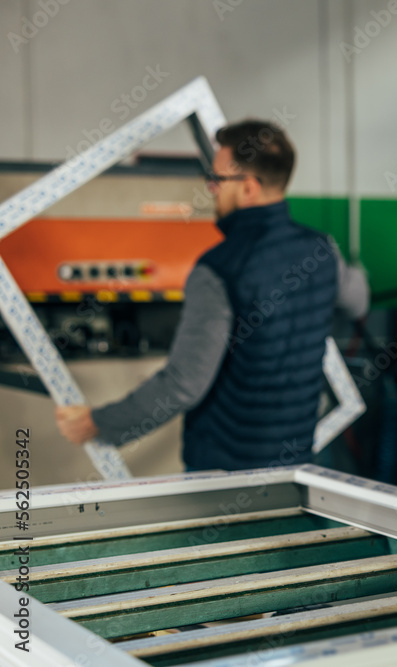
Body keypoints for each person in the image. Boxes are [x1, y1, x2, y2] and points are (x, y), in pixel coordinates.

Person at [55, 119, 352, 471]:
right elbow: (358, 301)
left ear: (249, 188)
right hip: (295, 467)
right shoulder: (323, 251)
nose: (211, 189)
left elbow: (183, 385)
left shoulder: (218, 269)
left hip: (222, 476)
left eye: (217, 180)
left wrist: (99, 422)